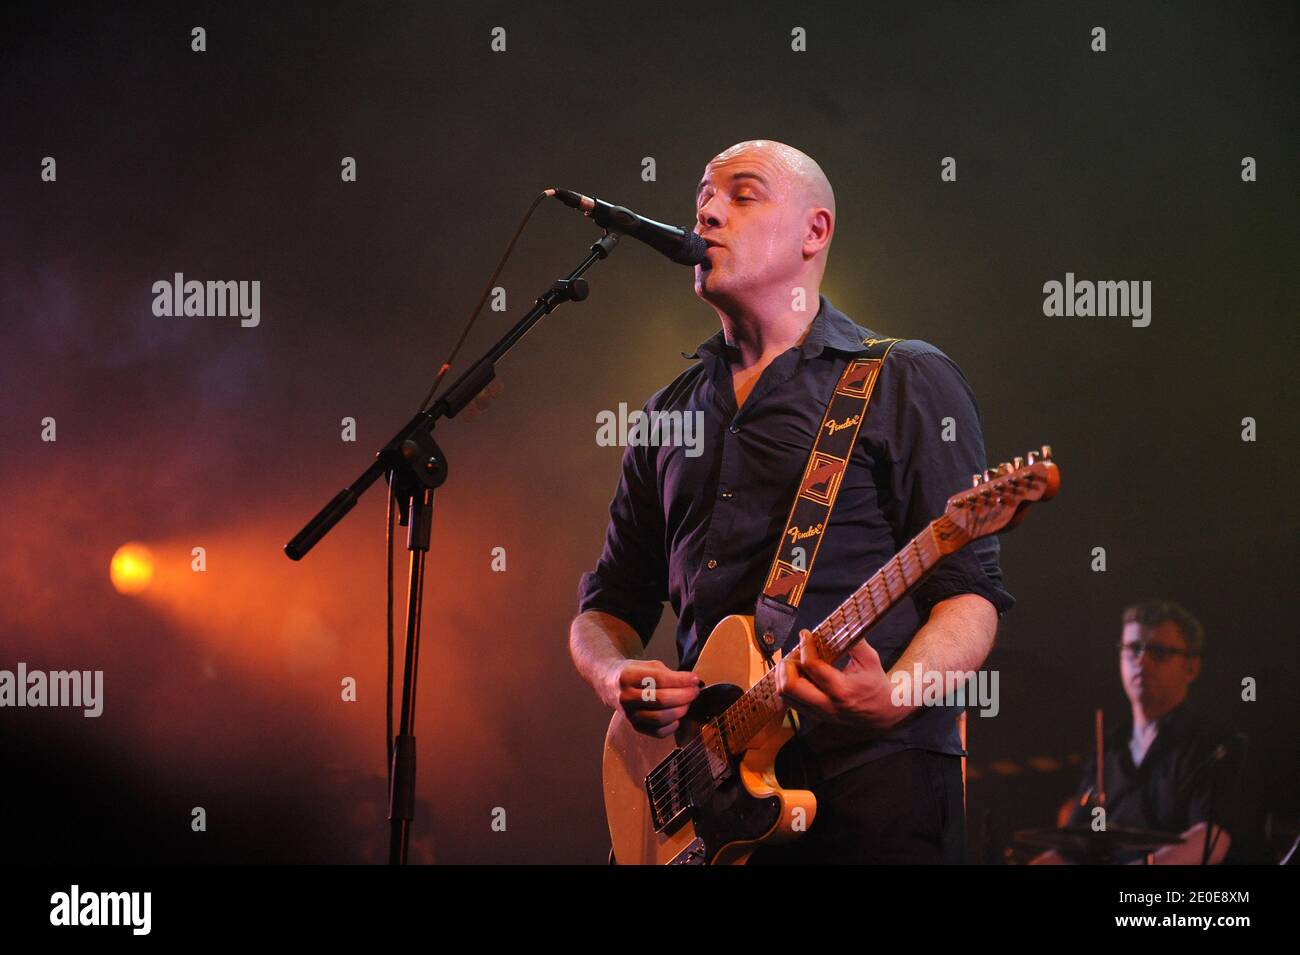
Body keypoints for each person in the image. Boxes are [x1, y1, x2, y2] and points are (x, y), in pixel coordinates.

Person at [569, 139, 1013, 863]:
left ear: (815, 231)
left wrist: (898, 691)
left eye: (742, 194)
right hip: (710, 808)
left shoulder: (906, 379)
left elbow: (970, 595)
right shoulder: (666, 416)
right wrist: (615, 674)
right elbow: (608, 606)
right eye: (702, 200)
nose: (708, 211)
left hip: (871, 782)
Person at [1032, 600, 1246, 865]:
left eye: (1159, 652)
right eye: (1133, 648)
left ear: (1191, 667)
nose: (1142, 660)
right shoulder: (1108, 747)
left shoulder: (1214, 743)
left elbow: (1212, 839)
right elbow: (1071, 847)